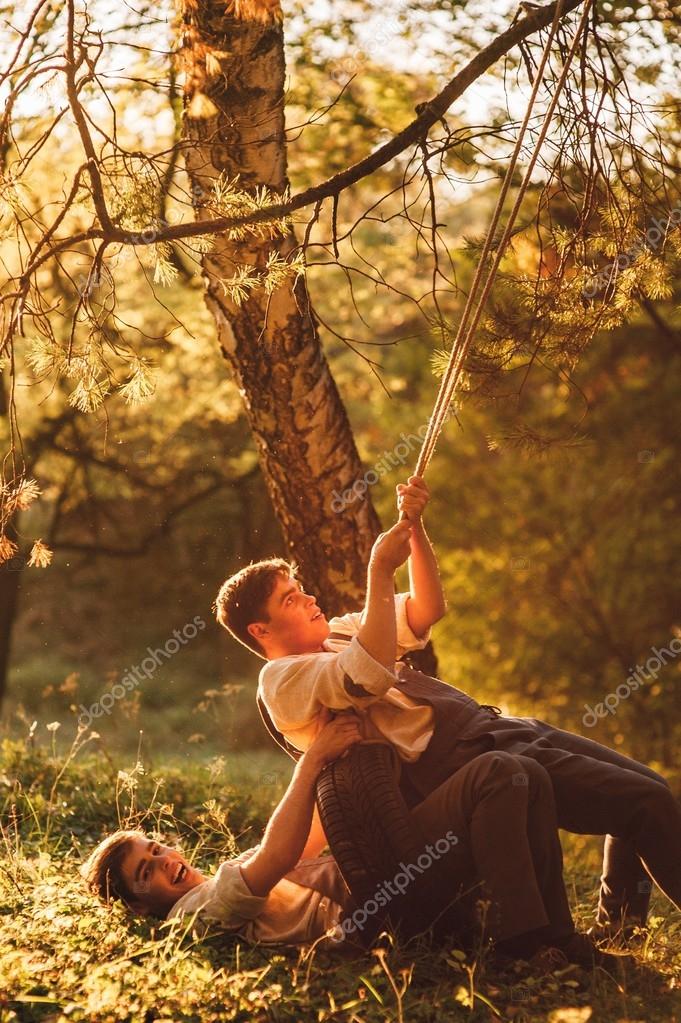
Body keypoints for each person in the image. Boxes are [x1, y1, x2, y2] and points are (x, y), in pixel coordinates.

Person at [214, 475, 681, 940]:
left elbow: (426, 608)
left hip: (496, 728)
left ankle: (620, 928)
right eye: (291, 599)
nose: (309, 598)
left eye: (300, 588)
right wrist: (379, 569)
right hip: (460, 760)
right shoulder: (281, 681)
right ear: (260, 630)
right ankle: (587, 934)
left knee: (651, 789)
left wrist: (414, 528)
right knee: (646, 803)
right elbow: (366, 673)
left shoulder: (339, 631)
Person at [81, 705, 614, 967]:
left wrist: (354, 757)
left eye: (156, 848)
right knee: (499, 773)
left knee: (526, 775)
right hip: (384, 902)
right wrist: (312, 761)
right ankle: (525, 943)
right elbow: (281, 852)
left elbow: (309, 839)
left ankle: (552, 935)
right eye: (146, 871)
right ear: (138, 905)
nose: (164, 860)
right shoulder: (193, 913)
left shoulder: (224, 882)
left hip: (389, 873)